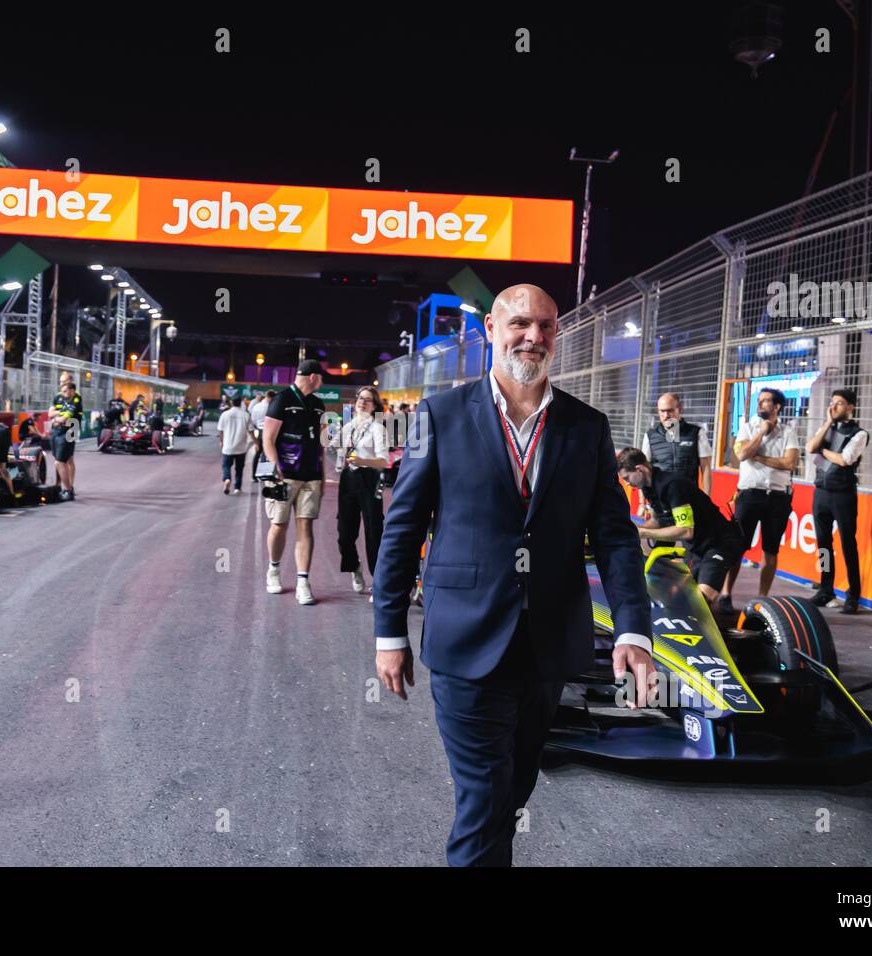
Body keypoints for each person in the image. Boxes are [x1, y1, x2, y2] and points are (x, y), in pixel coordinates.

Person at [373, 284, 653, 866]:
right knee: (482, 800)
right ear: (492, 334)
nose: (534, 336)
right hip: (465, 641)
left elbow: (615, 538)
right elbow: (401, 530)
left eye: (547, 326)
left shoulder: (586, 426)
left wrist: (632, 629)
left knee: (514, 790)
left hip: (549, 645)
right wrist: (390, 632)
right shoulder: (439, 415)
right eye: (521, 323)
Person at [617, 447, 743, 610]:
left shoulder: (672, 485)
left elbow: (686, 530)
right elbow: (658, 521)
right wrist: (634, 529)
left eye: (627, 477)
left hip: (719, 543)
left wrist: (642, 532)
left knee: (702, 600)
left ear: (640, 469)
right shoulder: (648, 487)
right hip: (696, 547)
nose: (627, 483)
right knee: (685, 599)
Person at [720, 387, 800, 612]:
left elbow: (789, 464)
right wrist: (761, 433)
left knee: (771, 550)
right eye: (759, 400)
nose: (760, 404)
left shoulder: (788, 432)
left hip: (777, 498)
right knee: (737, 547)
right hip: (749, 495)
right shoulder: (748, 427)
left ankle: (763, 598)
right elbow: (743, 455)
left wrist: (759, 457)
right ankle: (726, 593)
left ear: (777, 407)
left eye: (766, 401)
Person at [261, 361, 328, 605]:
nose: (323, 382)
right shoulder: (282, 400)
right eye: (321, 378)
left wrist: (322, 474)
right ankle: (274, 570)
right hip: (284, 475)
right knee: (279, 524)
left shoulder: (318, 405)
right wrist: (275, 466)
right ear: (312, 377)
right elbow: (267, 438)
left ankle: (303, 581)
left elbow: (321, 443)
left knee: (305, 526)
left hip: (310, 476)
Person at [806, 388, 868, 614]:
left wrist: (823, 450)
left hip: (843, 495)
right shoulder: (827, 429)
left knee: (847, 545)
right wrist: (826, 424)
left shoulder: (859, 433)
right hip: (821, 492)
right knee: (823, 545)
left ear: (851, 406)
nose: (834, 407)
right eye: (832, 402)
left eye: (840, 403)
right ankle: (826, 588)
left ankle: (853, 595)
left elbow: (845, 459)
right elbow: (811, 448)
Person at [336, 386, 389, 600]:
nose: (362, 402)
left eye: (368, 400)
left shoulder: (378, 429)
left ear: (374, 405)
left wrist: (362, 460)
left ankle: (378, 581)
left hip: (370, 479)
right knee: (344, 532)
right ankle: (353, 566)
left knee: (373, 531)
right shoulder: (348, 427)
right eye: (360, 398)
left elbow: (383, 461)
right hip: (348, 478)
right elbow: (336, 447)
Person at [640, 392, 712, 488]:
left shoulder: (696, 433)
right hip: (660, 498)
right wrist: (642, 501)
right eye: (662, 411)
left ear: (680, 408)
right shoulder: (650, 436)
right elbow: (643, 469)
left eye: (670, 410)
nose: (666, 415)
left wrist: (706, 500)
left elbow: (706, 468)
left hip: (687, 497)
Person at [50, 380, 84, 501]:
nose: (61, 384)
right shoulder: (59, 397)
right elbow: (50, 413)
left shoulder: (76, 398)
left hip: (71, 429)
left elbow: (64, 418)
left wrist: (57, 419)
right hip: (59, 430)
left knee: (62, 461)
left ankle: (68, 488)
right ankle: (63, 486)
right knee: (64, 459)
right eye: (60, 382)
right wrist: (59, 414)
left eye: (63, 381)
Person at [217, 395, 251, 494]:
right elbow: (251, 431)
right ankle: (237, 488)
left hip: (228, 447)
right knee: (239, 469)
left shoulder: (225, 414)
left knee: (226, 466)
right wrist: (257, 443)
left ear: (231, 402)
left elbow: (221, 430)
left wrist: (221, 441)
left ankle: (227, 479)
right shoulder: (245, 415)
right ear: (240, 403)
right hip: (241, 447)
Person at [249, 390, 275, 481]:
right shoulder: (272, 407)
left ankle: (254, 475)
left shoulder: (256, 406)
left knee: (258, 453)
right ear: (271, 397)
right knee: (267, 453)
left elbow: (253, 420)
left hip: (259, 431)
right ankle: (263, 474)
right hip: (268, 431)